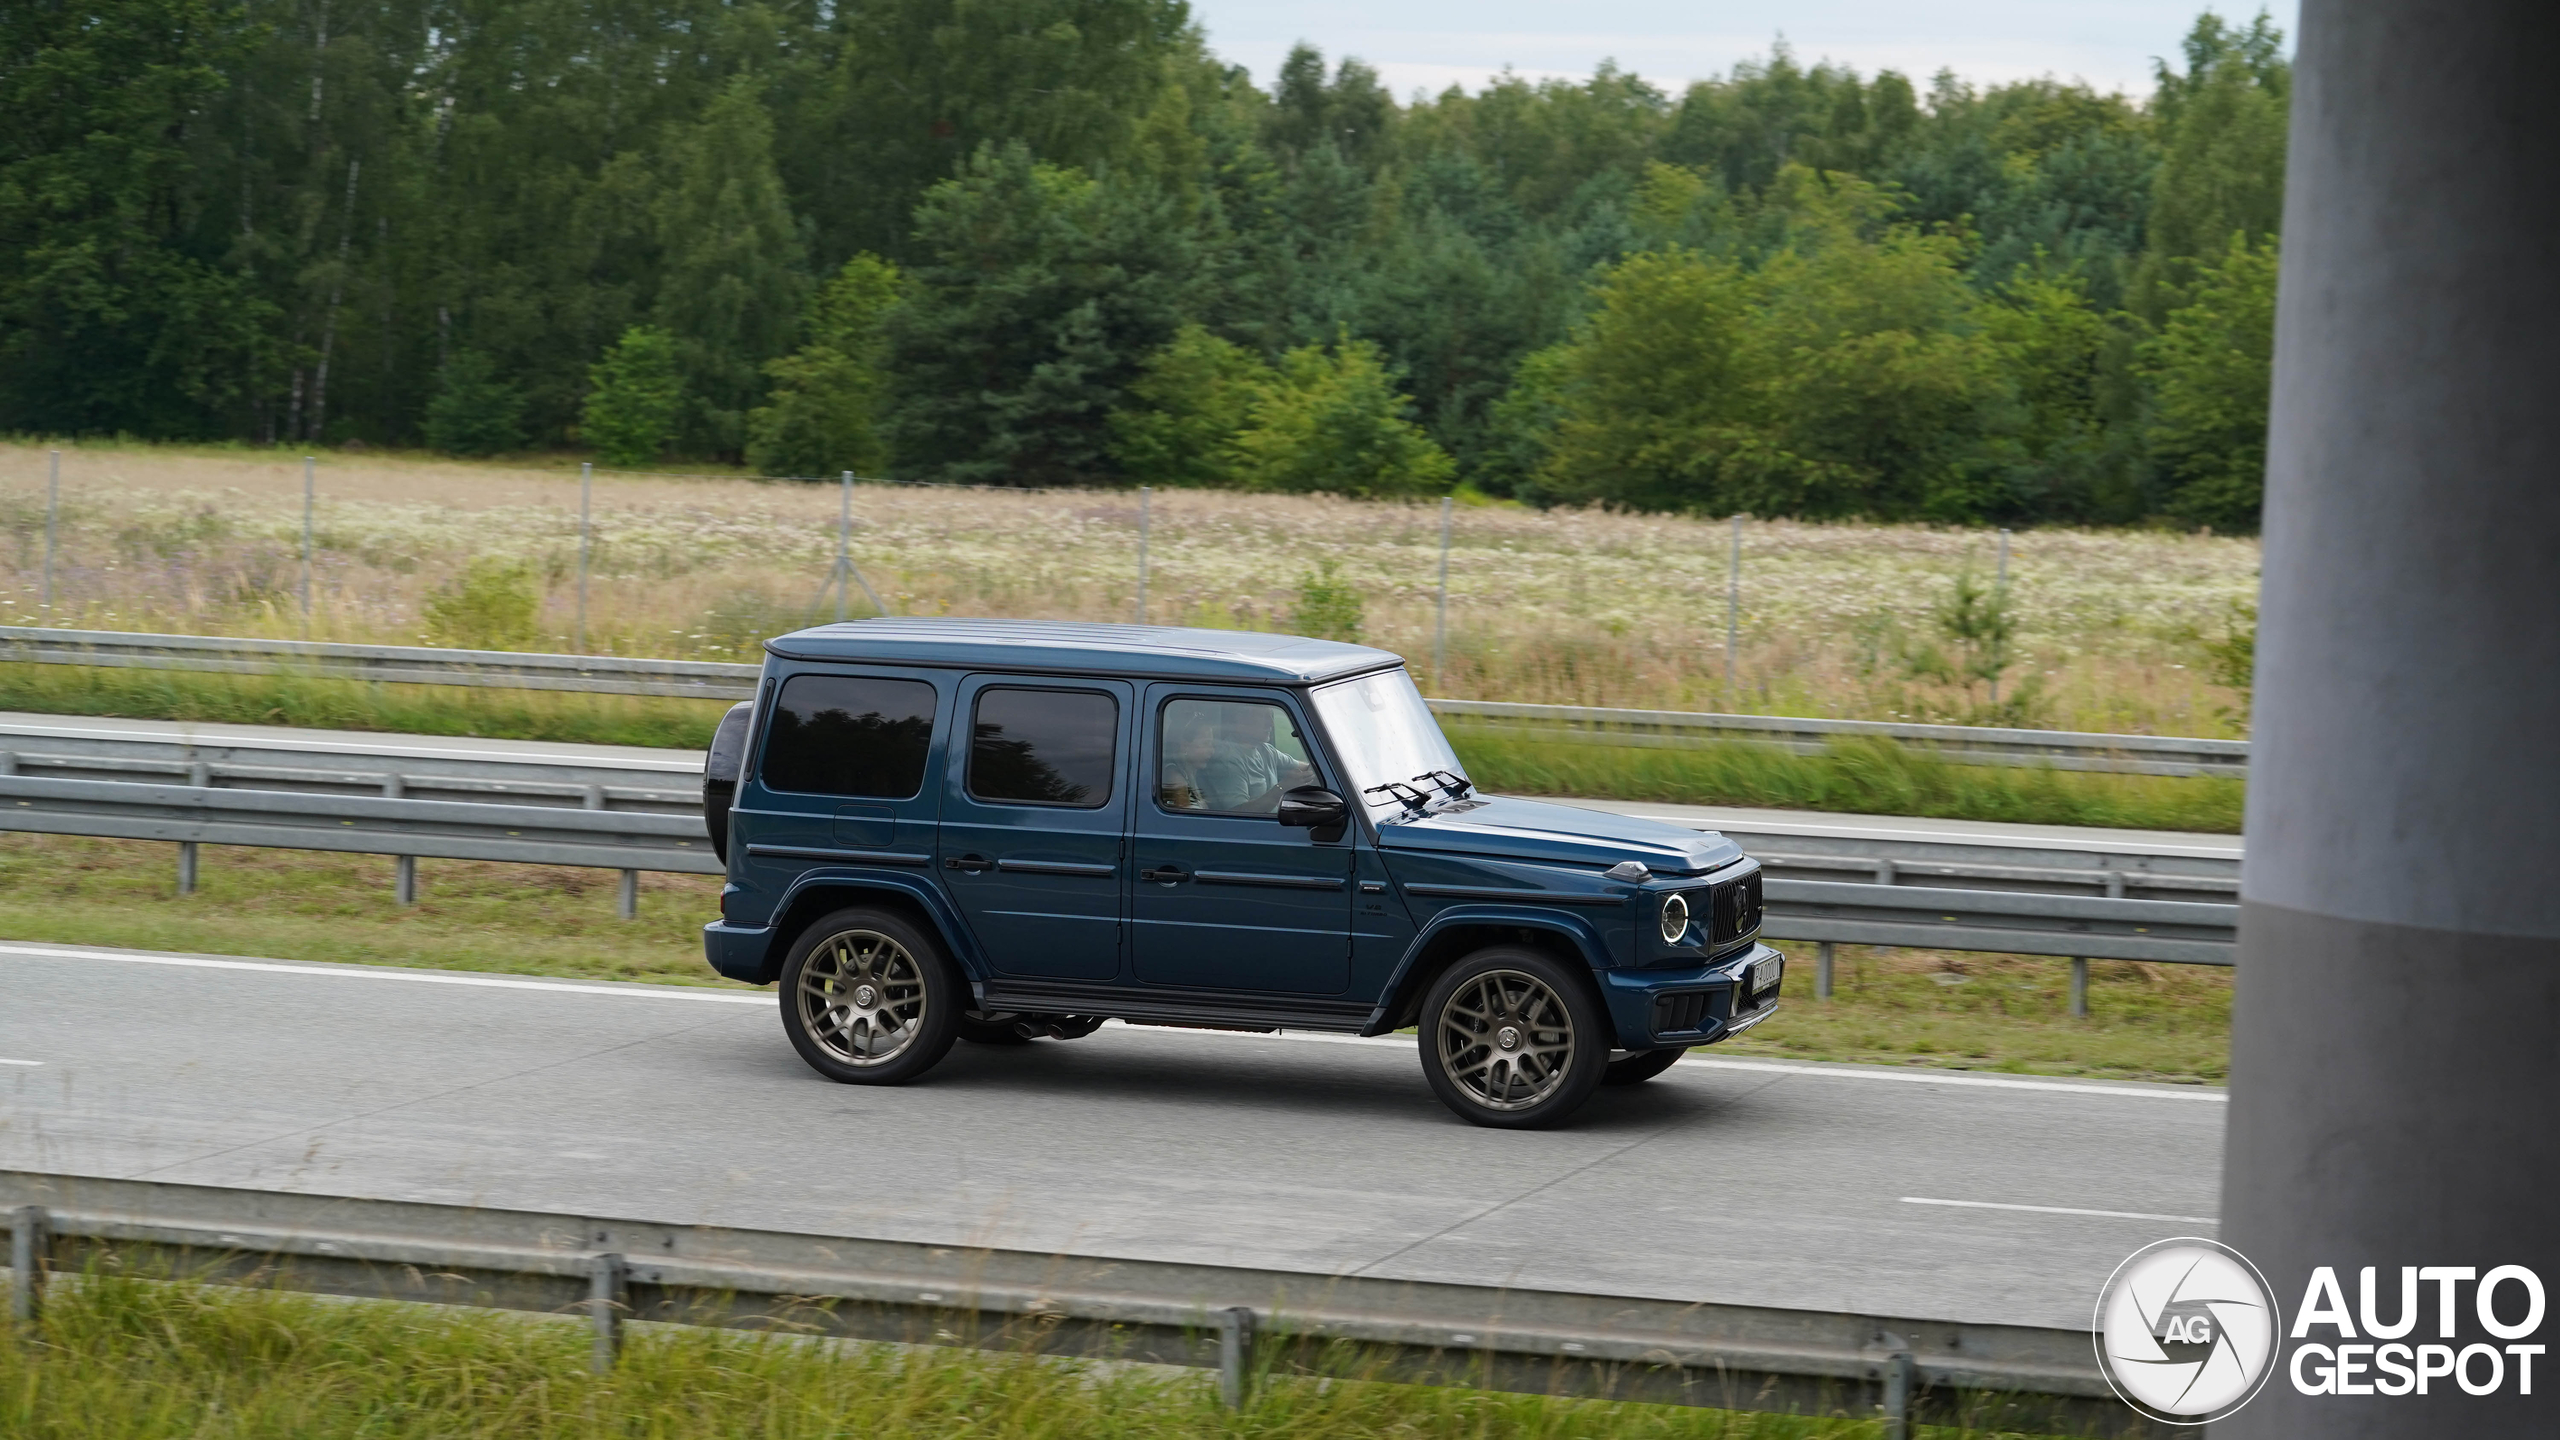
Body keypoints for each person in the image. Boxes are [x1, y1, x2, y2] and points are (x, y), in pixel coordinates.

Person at [1199, 703, 1314, 814]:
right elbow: (1238, 814)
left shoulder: (1265, 749)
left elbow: (1306, 768)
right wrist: (1282, 788)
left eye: (1270, 716)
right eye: (1263, 716)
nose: (1270, 723)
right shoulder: (1227, 759)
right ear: (1241, 720)